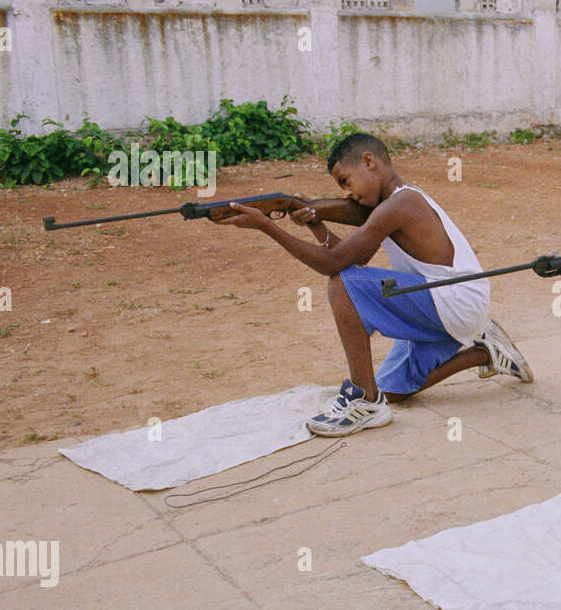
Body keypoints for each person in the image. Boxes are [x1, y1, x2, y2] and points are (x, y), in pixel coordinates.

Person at [219, 132, 532, 436]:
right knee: (392, 389)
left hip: (452, 301)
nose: (348, 192)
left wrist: (266, 226)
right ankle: (487, 351)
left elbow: (335, 265)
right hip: (453, 304)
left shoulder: (401, 203)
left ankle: (364, 400)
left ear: (368, 161)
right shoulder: (394, 203)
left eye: (345, 181)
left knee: (342, 283)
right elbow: (353, 257)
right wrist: (315, 221)